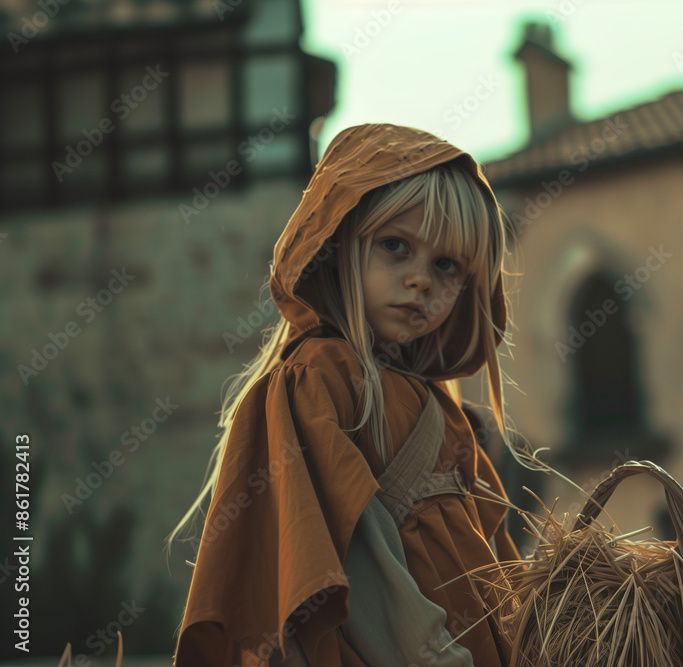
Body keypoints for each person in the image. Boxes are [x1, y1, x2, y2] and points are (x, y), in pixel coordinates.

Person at [166, 123, 540, 667]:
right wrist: (435, 655)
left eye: (447, 265)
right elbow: (346, 558)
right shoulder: (322, 377)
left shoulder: (443, 408)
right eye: (396, 246)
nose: (421, 280)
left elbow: (494, 554)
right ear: (341, 248)